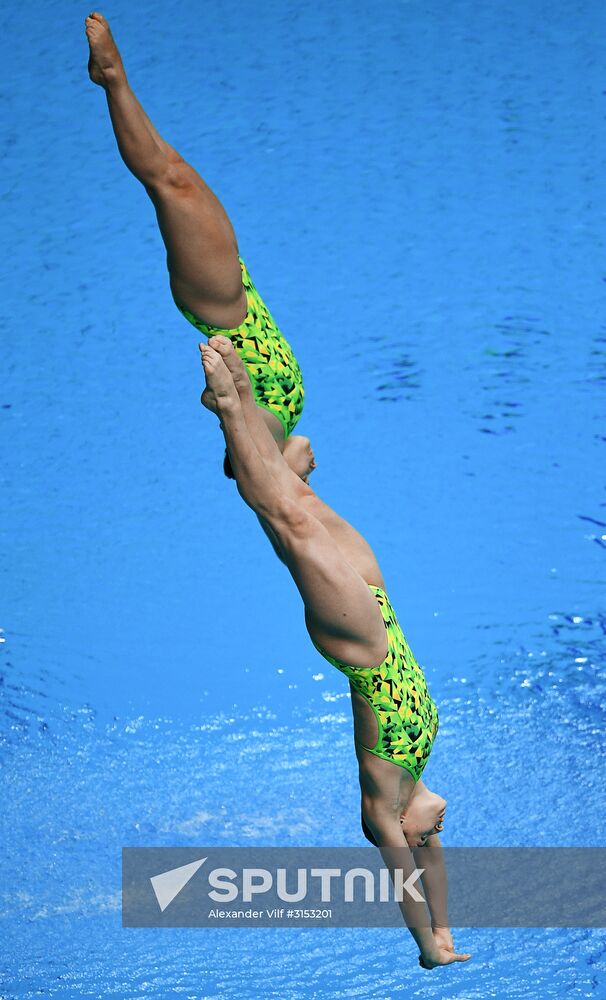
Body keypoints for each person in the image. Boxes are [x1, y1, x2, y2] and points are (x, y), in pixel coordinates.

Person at [198, 335, 471, 970]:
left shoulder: (382, 804)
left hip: (363, 646)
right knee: (299, 497)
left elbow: (408, 880)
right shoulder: (415, 777)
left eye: (426, 837)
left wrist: (429, 946)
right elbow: (432, 870)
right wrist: (449, 927)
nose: (438, 831)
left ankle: (234, 403)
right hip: (381, 609)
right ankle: (233, 415)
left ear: (397, 833)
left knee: (289, 519)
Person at [84, 11, 309, 479]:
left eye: (304, 478)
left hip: (221, 308)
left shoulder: (266, 433)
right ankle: (112, 80)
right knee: (175, 172)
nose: (313, 469)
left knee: (170, 184)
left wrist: (227, 402)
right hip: (236, 289)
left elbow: (225, 410)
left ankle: (111, 79)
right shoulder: (288, 418)